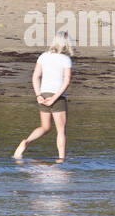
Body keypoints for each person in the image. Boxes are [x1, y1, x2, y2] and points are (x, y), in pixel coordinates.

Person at [13, 32, 72, 162]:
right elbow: (67, 81)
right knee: (61, 130)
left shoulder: (43, 56)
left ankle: (26, 142)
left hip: (43, 94)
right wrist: (55, 98)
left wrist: (38, 95)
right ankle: (61, 159)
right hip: (57, 97)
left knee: (45, 127)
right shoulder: (66, 59)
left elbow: (35, 76)